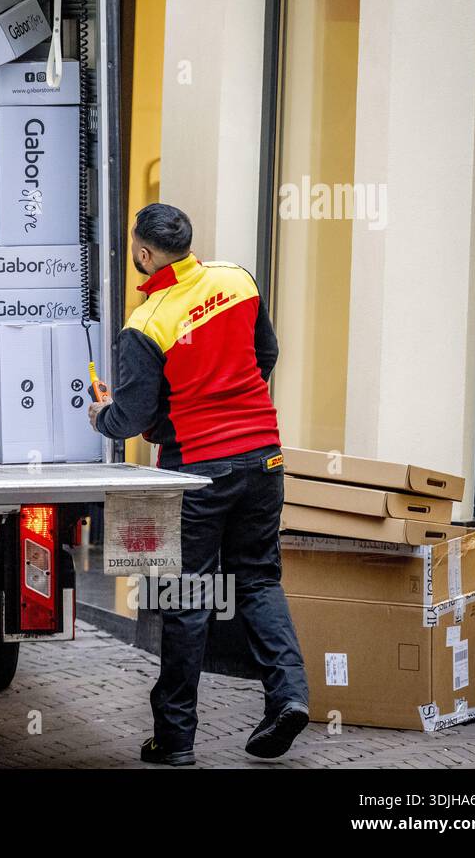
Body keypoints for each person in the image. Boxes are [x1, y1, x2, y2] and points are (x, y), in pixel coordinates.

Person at [89, 202, 308, 766]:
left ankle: (176, 740)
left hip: (197, 473)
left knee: (189, 597)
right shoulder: (238, 281)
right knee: (258, 580)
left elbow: (134, 416)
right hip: (264, 458)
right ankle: (289, 696)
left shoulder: (145, 324)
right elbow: (267, 355)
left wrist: (101, 417)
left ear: (143, 253)